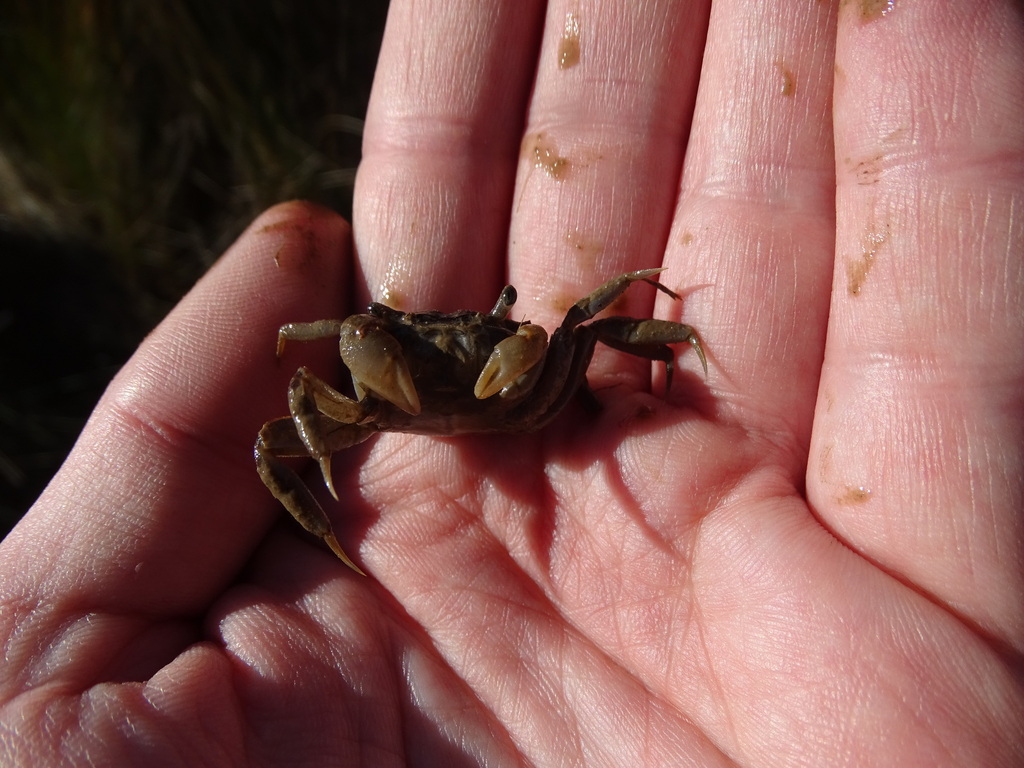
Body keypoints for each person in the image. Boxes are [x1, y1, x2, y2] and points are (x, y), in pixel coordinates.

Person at [2, 1, 1021, 764]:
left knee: (581, 315)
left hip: (507, 392)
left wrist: (658, 351)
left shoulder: (520, 351)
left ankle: (691, 372)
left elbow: (601, 309)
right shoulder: (364, 372)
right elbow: (328, 370)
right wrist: (333, 468)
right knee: (287, 435)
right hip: (414, 399)